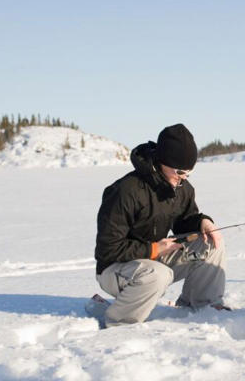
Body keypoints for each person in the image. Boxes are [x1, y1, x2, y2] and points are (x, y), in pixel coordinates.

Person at [93, 124, 227, 328]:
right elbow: (108, 249)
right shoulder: (125, 191)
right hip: (114, 268)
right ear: (163, 161)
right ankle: (120, 322)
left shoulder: (181, 187)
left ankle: (202, 308)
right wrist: (154, 249)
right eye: (180, 172)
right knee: (157, 275)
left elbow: (185, 221)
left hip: (154, 258)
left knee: (210, 243)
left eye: (188, 174)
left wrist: (202, 222)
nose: (183, 178)